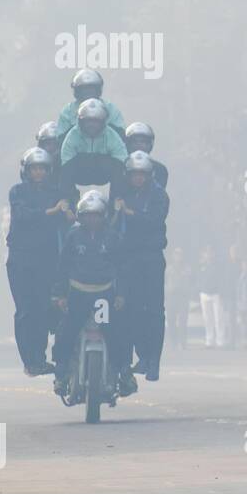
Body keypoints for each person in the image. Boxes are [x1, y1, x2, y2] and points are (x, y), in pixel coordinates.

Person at [52, 192, 136, 398]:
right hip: (78, 294)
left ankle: (123, 372)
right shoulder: (73, 236)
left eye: (96, 215)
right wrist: (59, 294)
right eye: (87, 215)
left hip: (102, 296)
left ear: (103, 216)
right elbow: (63, 267)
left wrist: (121, 295)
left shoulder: (112, 237)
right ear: (80, 216)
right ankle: (61, 374)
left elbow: (123, 268)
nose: (92, 219)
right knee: (66, 332)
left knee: (115, 332)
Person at [6, 148, 73, 376]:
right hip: (21, 259)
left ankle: (40, 358)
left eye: (42, 168)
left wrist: (68, 210)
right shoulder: (17, 192)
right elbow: (23, 215)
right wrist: (52, 211)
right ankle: (29, 361)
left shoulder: (56, 193)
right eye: (34, 168)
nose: (38, 172)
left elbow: (69, 213)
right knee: (26, 310)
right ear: (26, 170)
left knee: (45, 308)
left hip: (47, 259)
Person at [112, 151, 170, 382]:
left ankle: (154, 360)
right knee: (132, 309)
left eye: (142, 174)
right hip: (128, 258)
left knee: (154, 311)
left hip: (151, 257)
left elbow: (154, 221)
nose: (138, 178)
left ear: (149, 175)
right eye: (134, 174)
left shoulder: (159, 195)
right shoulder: (121, 194)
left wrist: (130, 213)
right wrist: (117, 212)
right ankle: (141, 357)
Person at [59, 98, 127, 202]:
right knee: (60, 167)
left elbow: (121, 162)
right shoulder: (72, 136)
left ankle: (115, 203)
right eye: (88, 121)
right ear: (81, 121)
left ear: (103, 121)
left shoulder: (112, 136)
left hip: (103, 174)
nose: (92, 125)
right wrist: (65, 196)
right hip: (80, 173)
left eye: (96, 121)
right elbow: (66, 166)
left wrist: (118, 195)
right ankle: (69, 202)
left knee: (119, 169)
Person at [55, 68, 125, 138]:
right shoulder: (67, 111)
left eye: (91, 88)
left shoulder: (110, 108)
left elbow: (120, 133)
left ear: (98, 89)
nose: (88, 92)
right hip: (76, 148)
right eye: (84, 89)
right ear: (77, 90)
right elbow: (60, 138)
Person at [197, 247, 228, 349]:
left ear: (213, 254)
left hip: (216, 294)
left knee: (219, 318)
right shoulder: (201, 265)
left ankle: (220, 341)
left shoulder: (218, 265)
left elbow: (222, 279)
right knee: (207, 319)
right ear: (204, 254)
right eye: (207, 253)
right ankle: (209, 340)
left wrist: (221, 292)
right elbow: (197, 278)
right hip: (204, 294)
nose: (209, 255)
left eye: (210, 252)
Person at [123, 122, 169, 189]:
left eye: (143, 142)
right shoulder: (119, 168)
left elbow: (159, 196)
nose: (139, 145)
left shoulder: (160, 169)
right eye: (135, 142)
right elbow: (115, 196)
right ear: (128, 144)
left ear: (150, 145)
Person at [166, 247, 190, 352]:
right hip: (171, 297)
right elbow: (164, 282)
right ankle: (173, 342)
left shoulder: (187, 268)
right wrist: (167, 289)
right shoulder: (168, 268)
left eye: (180, 254)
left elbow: (192, 282)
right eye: (176, 254)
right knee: (171, 321)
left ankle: (182, 342)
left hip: (183, 297)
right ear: (173, 256)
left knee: (183, 321)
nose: (178, 256)